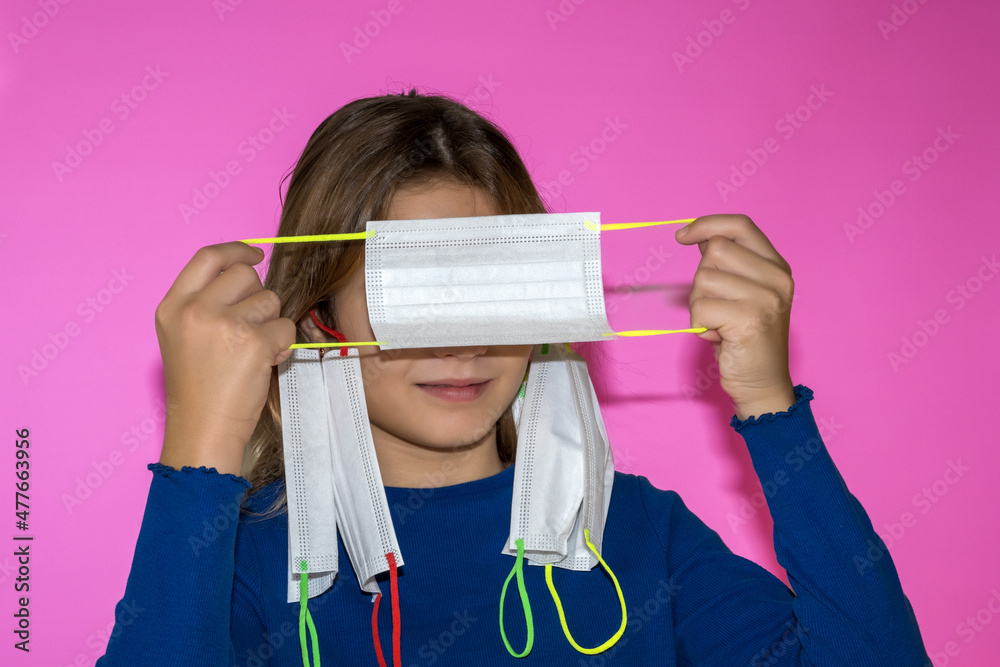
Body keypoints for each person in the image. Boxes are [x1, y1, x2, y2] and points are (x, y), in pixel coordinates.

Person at [97, 89, 930, 666]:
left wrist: (772, 409)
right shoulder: (240, 558)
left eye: (496, 285)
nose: (465, 345)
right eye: (420, 294)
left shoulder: (640, 536)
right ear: (322, 316)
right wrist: (200, 449)